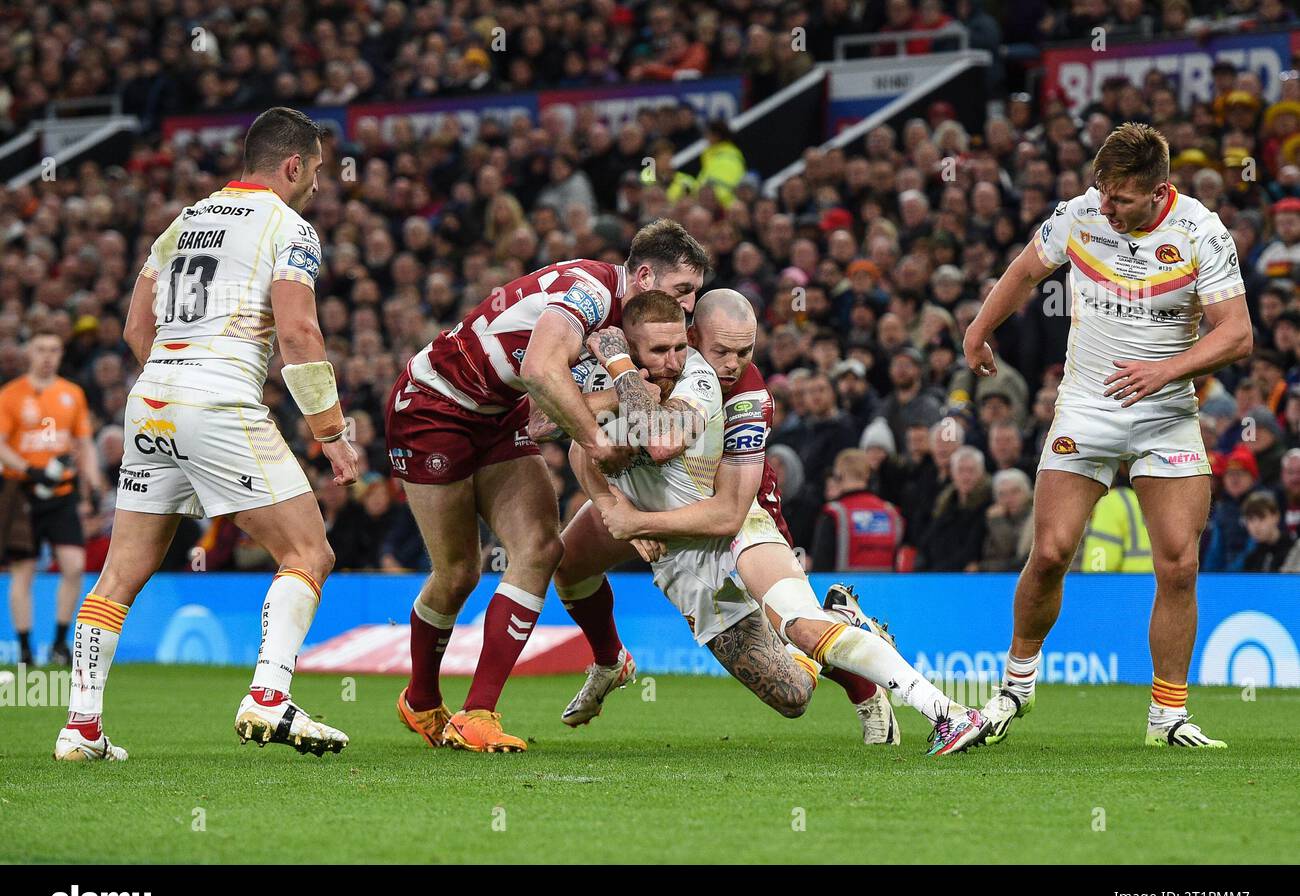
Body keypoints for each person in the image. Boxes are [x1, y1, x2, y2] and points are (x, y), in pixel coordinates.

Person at [53, 107, 362, 761]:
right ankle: (269, 696)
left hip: (151, 403)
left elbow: (137, 331)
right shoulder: (290, 227)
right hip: (217, 402)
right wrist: (331, 432)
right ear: (292, 165)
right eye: (317, 172)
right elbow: (301, 334)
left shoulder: (181, 223)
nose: (318, 187)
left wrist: (174, 386)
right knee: (310, 552)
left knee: (118, 575)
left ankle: (80, 727)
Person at [567, 290, 990, 754]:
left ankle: (944, 711)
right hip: (676, 542)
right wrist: (611, 503)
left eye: (744, 352)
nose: (732, 364)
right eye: (721, 350)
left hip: (738, 513)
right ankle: (611, 659)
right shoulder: (650, 364)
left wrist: (639, 521)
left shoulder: (734, 392)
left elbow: (724, 505)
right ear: (691, 336)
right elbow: (566, 436)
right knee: (791, 697)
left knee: (800, 626)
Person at [964, 122, 1251, 747]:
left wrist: (1165, 371)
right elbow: (1021, 274)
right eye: (1101, 189)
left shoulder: (1202, 232)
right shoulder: (1080, 215)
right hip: (1086, 411)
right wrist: (978, 331)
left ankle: (1167, 717)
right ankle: (1016, 684)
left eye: (1120, 197)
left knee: (1178, 564)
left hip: (1166, 412)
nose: (1106, 204)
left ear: (1158, 190)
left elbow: (1237, 334)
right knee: (1049, 552)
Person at [388, 218, 708, 753]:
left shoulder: (625, 329)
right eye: (682, 291)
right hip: (433, 406)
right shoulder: (591, 290)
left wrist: (606, 405)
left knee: (540, 547)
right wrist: (598, 440)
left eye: (694, 295)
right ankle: (420, 698)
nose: (689, 306)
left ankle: (477, 713)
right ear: (645, 275)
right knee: (459, 571)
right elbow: (540, 368)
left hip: (498, 417)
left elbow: (539, 414)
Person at [0, 330, 105, 667]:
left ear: (61, 354)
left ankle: (60, 641)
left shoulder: (72, 393)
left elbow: (84, 443)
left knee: (74, 566)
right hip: (22, 494)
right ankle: (26, 649)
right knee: (24, 570)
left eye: (55, 350)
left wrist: (94, 482)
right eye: (42, 349)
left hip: (61, 494)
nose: (48, 356)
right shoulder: (10, 395)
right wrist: (31, 470)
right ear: (30, 352)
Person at [810, 448, 903, 572]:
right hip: (886, 589)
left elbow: (820, 566)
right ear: (868, 474)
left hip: (844, 588)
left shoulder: (834, 513)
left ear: (838, 474)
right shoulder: (891, 512)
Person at [1235, 491, 1296, 571]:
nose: (1256, 526)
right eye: (1250, 519)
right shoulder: (1251, 558)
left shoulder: (1294, 549)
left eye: (1262, 518)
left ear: (1276, 516)